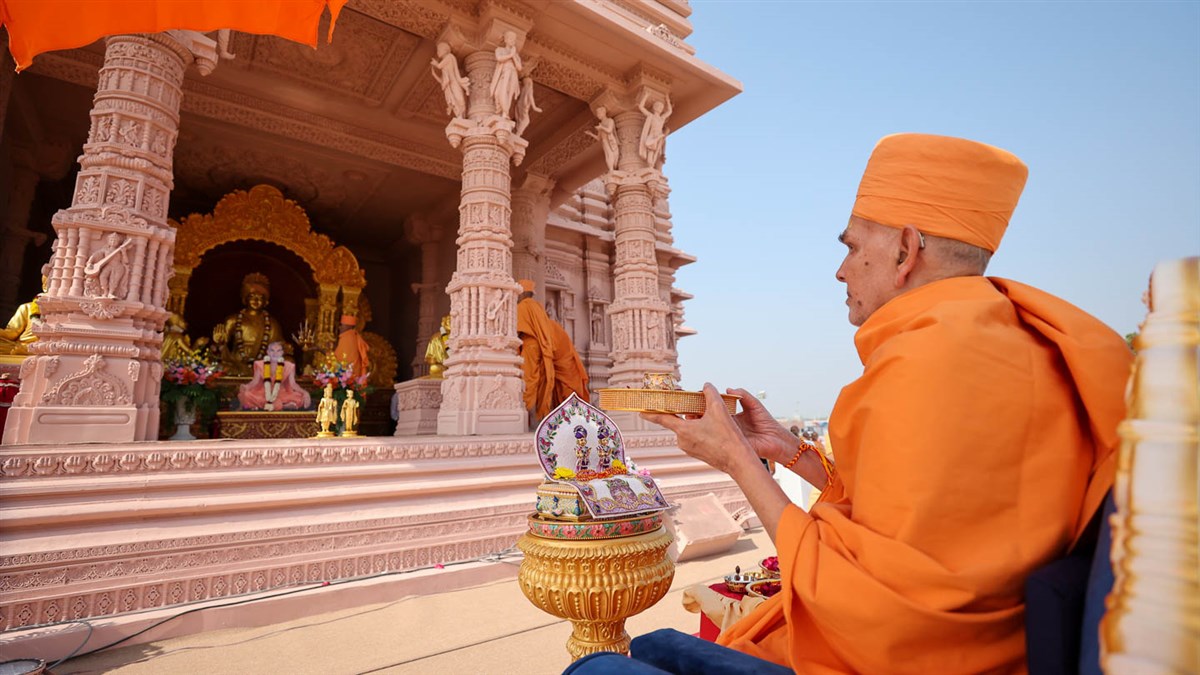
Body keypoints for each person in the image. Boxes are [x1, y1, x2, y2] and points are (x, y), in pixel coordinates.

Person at [611, 133, 1133, 674]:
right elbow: (910, 520)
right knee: (652, 650)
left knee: (607, 665)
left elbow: (874, 608)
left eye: (852, 247)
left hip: (910, 659)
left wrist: (737, 462)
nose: (841, 270)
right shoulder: (1013, 338)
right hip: (990, 644)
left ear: (906, 250)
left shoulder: (929, 361)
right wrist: (790, 453)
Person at [515, 279, 591, 420]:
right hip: (545, 350)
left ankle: (527, 416)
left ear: (522, 292)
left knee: (529, 381)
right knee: (539, 382)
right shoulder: (538, 308)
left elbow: (518, 330)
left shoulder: (523, 306)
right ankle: (541, 417)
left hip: (532, 346)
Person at [237, 341, 311, 411]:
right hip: (263, 393)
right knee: (247, 395)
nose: (275, 353)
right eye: (272, 350)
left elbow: (293, 384)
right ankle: (282, 405)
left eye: (278, 351)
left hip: (281, 393)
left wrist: (305, 392)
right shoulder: (260, 364)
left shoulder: (289, 366)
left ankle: (270, 405)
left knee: (299, 398)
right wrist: (246, 387)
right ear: (268, 352)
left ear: (282, 353)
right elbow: (255, 381)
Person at [332, 314, 370, 382]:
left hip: (348, 379)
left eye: (342, 325)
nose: (340, 327)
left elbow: (340, 360)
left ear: (348, 326)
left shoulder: (347, 338)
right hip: (353, 377)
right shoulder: (352, 336)